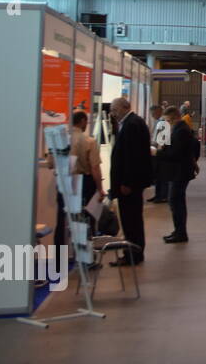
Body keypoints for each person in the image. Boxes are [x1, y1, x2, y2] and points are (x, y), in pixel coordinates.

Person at [50, 110, 105, 263]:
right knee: (84, 221)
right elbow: (95, 167)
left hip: (64, 182)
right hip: (83, 183)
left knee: (62, 220)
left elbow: (50, 163)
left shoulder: (60, 139)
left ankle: (58, 259)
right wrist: (100, 188)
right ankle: (86, 259)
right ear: (82, 121)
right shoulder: (89, 141)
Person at [108, 96, 152, 265]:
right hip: (132, 183)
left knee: (131, 220)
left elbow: (132, 157)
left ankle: (133, 254)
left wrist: (127, 182)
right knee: (131, 219)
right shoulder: (132, 122)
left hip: (130, 185)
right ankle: (133, 253)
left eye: (115, 110)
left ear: (125, 107)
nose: (113, 114)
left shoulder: (132, 125)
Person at [157, 106, 199, 244]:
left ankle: (181, 232)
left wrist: (157, 153)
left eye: (168, 120)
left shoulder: (181, 130)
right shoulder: (179, 129)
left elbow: (176, 153)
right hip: (178, 171)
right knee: (175, 201)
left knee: (176, 201)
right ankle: (178, 230)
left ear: (174, 117)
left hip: (180, 172)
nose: (166, 123)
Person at [149, 104, 171, 204]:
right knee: (158, 175)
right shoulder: (159, 121)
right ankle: (158, 195)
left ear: (158, 111)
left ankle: (163, 196)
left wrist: (156, 147)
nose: (152, 115)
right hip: (156, 150)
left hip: (160, 152)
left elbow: (162, 139)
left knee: (162, 175)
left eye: (153, 113)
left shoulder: (163, 122)